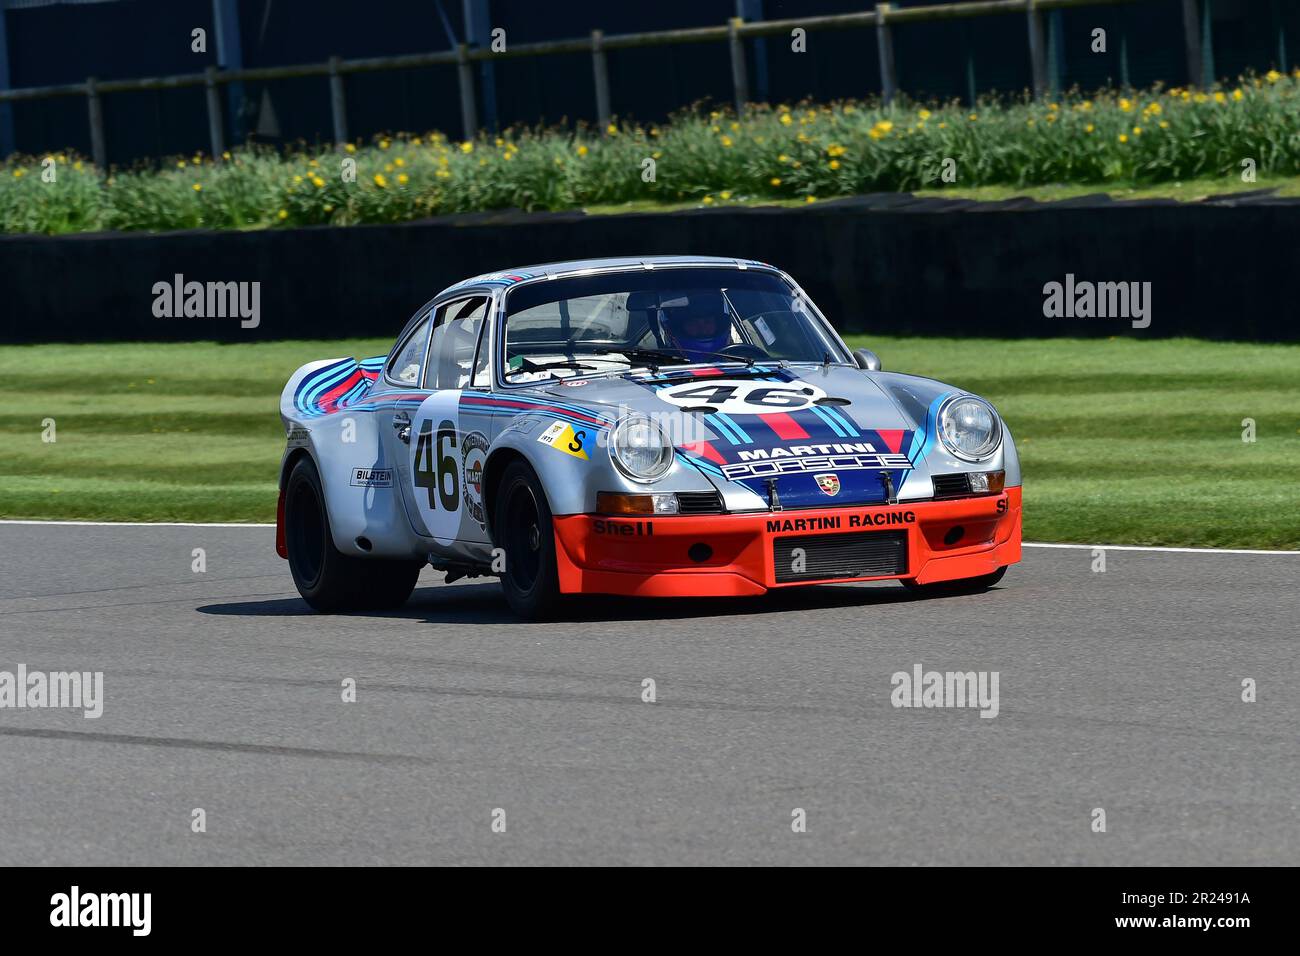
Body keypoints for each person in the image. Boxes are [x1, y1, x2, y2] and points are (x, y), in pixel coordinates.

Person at [659, 292, 733, 362]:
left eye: (707, 322)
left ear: (719, 324)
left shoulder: (741, 362)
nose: (702, 329)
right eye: (693, 323)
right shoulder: (658, 369)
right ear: (677, 328)